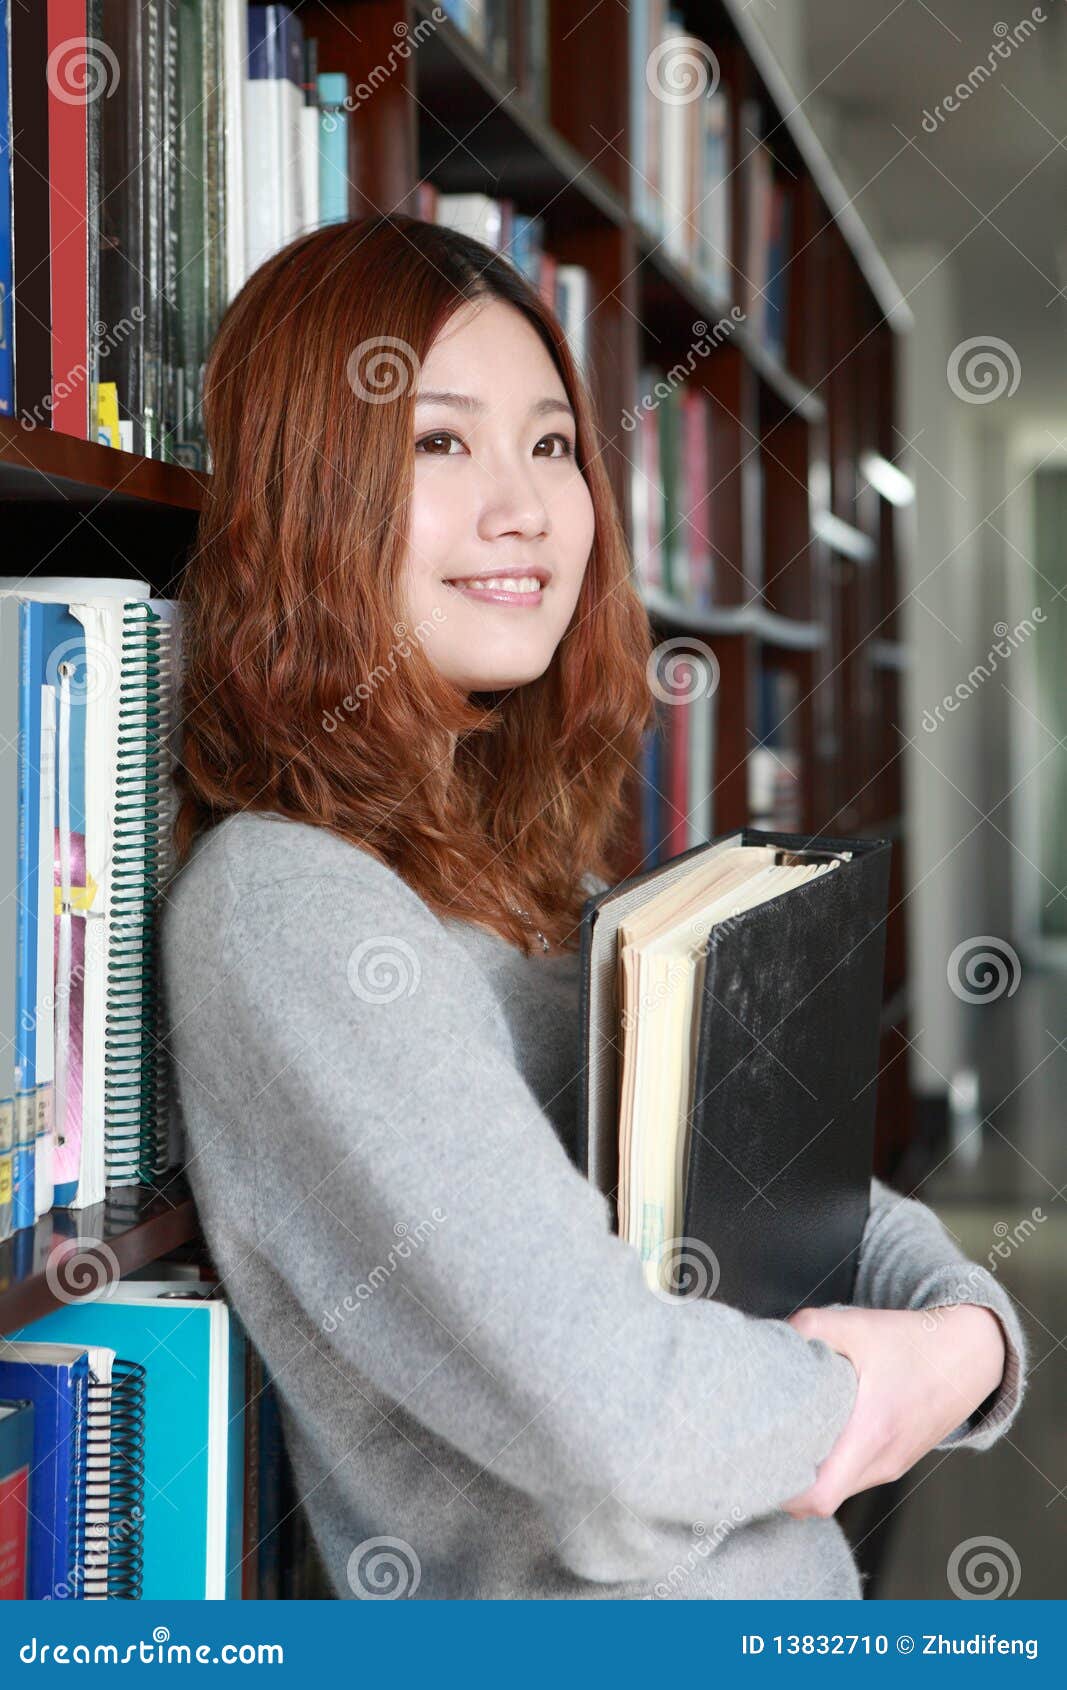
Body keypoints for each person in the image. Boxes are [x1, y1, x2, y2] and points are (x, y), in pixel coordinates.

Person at [161, 216, 1026, 1601]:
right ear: (308, 488)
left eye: (553, 443)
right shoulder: (289, 910)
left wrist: (966, 1341)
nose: (524, 508)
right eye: (440, 442)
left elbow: (819, 1214)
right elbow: (630, 1428)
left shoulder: (538, 887)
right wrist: (888, 1381)